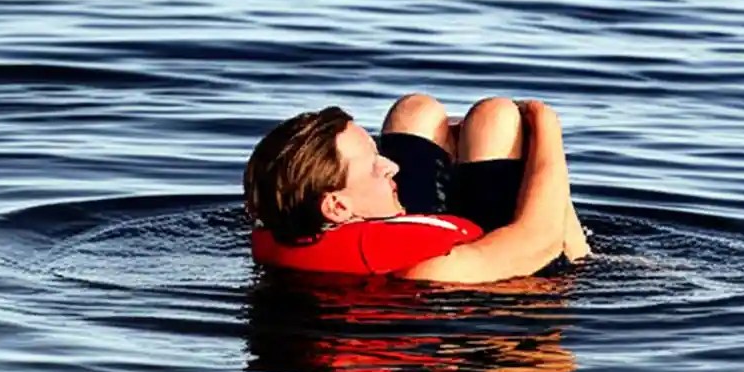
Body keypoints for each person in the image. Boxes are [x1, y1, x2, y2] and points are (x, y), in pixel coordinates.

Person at [243, 94, 589, 283]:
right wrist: (545, 124)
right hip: (523, 278)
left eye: (379, 152)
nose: (391, 166)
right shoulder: (424, 271)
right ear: (336, 206)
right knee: (499, 118)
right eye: (374, 166)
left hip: (402, 236)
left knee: (414, 112)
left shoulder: (292, 227)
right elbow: (539, 240)